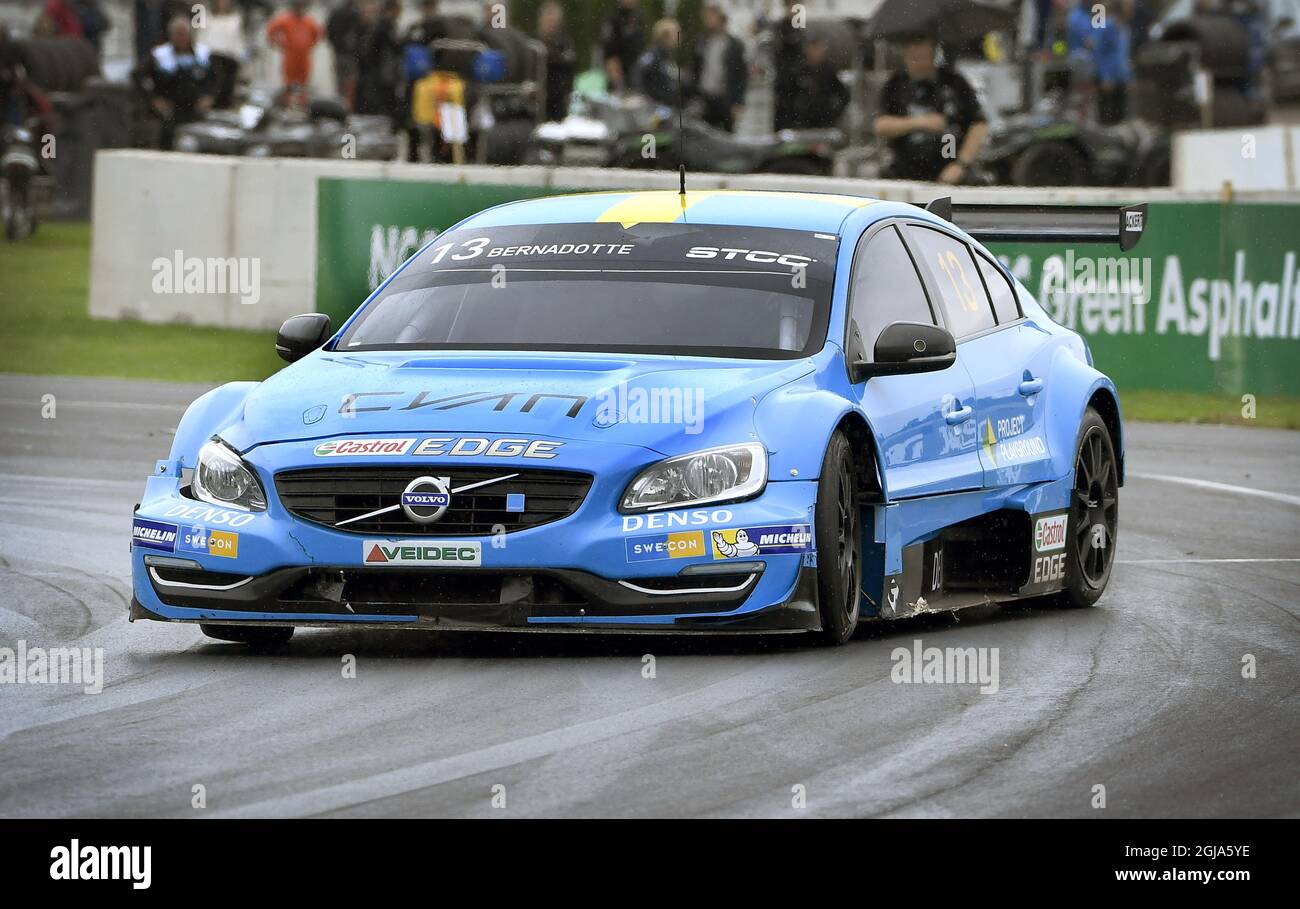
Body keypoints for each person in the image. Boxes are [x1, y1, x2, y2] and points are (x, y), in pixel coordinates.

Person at [874, 34, 988, 184]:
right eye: (914, 58)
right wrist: (918, 123)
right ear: (905, 57)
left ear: (933, 55)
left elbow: (979, 124)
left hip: (950, 166)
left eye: (924, 57)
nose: (920, 63)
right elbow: (881, 125)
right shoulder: (895, 85)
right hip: (905, 171)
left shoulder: (953, 82)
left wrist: (961, 164)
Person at [144, 16, 215, 149]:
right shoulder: (160, 56)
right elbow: (139, 78)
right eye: (177, 34)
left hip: (195, 112)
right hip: (169, 113)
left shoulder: (202, 55)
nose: (181, 38)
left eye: (184, 34)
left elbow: (215, 80)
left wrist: (209, 96)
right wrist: (153, 99)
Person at [403, 0, 448, 161]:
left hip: (434, 81)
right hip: (417, 82)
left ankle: (438, 154)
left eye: (431, 6)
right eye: (426, 6)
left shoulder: (441, 28)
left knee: (436, 119)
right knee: (413, 118)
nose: (428, 10)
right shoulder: (415, 28)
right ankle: (413, 153)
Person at [691, 3, 746, 132]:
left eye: (711, 16)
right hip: (706, 98)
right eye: (706, 17)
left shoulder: (734, 44)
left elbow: (741, 75)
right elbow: (696, 69)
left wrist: (739, 102)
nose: (708, 20)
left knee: (727, 138)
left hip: (726, 99)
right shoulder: (702, 41)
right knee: (705, 137)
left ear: (721, 17)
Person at [355, 0, 402, 122]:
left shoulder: (379, 25)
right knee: (384, 105)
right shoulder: (384, 26)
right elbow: (392, 49)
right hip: (382, 75)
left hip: (377, 75)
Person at [788, 36, 848, 130]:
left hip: (824, 121)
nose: (819, 52)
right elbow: (789, 96)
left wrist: (834, 111)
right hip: (802, 122)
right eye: (815, 48)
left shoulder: (829, 71)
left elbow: (843, 94)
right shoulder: (798, 71)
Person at [265, 0, 322, 95]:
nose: (299, 9)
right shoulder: (285, 20)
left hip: (304, 58)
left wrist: (310, 45)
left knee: (303, 84)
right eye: (297, 6)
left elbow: (318, 34)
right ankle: (288, 102)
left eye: (301, 7)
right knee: (289, 83)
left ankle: (302, 103)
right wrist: (276, 42)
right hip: (290, 57)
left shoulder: (309, 21)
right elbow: (271, 30)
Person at [768, 0, 806, 130]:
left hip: (796, 83)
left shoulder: (799, 26)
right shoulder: (781, 27)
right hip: (785, 81)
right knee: (783, 118)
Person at [200, 0, 246, 108]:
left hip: (230, 59)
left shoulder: (236, 18)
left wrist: (241, 58)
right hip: (212, 58)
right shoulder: (207, 17)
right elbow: (201, 37)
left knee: (227, 88)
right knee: (214, 85)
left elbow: (238, 40)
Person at [536, 0, 575, 123]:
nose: (550, 24)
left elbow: (570, 70)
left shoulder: (565, 44)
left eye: (553, 20)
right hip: (539, 100)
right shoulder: (535, 44)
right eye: (547, 19)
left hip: (558, 101)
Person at [633, 18, 682, 109]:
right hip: (653, 109)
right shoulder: (653, 54)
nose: (679, 37)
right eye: (676, 33)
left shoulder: (667, 56)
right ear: (665, 35)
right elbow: (639, 75)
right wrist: (648, 100)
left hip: (663, 107)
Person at [601, 0, 646, 94]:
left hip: (635, 69)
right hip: (618, 71)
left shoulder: (639, 17)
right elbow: (609, 51)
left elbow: (641, 44)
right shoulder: (613, 19)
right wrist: (615, 77)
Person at [326, 0, 362, 106]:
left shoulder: (335, 13)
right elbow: (358, 34)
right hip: (351, 54)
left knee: (339, 82)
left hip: (338, 53)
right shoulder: (354, 14)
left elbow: (329, 32)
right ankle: (348, 106)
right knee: (350, 82)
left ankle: (339, 104)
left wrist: (335, 45)